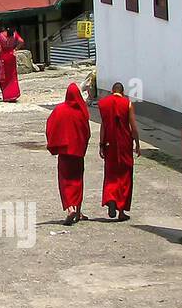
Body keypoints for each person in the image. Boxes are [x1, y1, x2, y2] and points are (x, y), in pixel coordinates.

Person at [46, 82, 91, 225]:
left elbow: (50, 127)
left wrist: (53, 144)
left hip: (65, 152)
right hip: (78, 152)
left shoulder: (59, 110)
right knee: (77, 181)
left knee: (65, 181)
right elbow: (87, 132)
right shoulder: (82, 112)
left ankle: (70, 208)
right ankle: (78, 211)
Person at [98, 82, 140, 220]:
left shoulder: (104, 104)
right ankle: (121, 211)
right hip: (124, 145)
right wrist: (138, 144)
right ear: (123, 92)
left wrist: (101, 144)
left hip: (109, 144)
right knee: (125, 176)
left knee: (111, 174)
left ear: (112, 91)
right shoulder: (127, 103)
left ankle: (111, 198)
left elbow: (103, 125)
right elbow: (133, 126)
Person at [0, 29, 24, 103]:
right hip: (11, 55)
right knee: (12, 76)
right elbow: (21, 41)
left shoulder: (0, 36)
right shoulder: (14, 34)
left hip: (4, 56)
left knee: (5, 77)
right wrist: (15, 49)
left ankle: (7, 96)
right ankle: (14, 94)